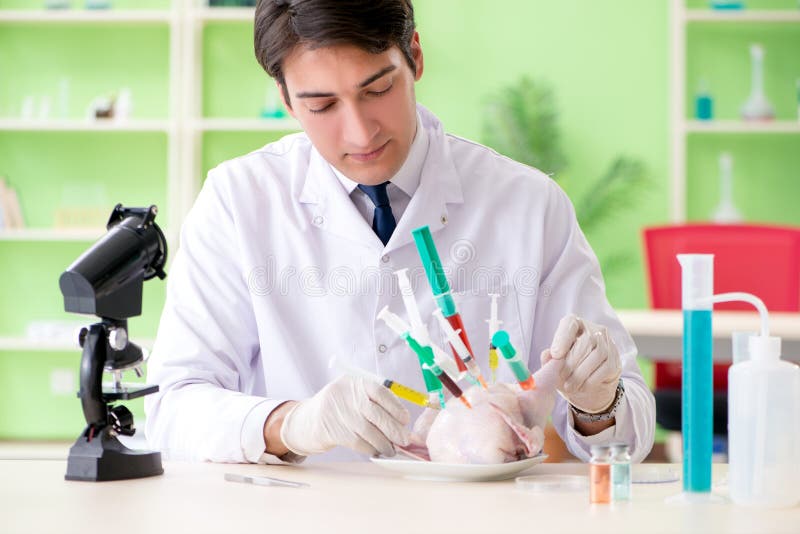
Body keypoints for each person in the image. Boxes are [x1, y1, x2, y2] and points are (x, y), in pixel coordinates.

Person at [145, 0, 655, 465]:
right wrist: (291, 424)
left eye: (379, 89)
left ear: (414, 56)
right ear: (284, 96)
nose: (361, 132)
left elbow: (626, 442)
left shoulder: (527, 203)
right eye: (322, 105)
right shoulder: (238, 202)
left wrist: (598, 403)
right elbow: (172, 409)